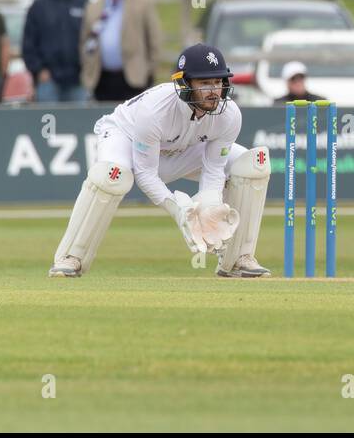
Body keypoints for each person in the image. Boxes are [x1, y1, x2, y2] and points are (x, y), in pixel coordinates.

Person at [49, 43, 273, 279]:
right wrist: (178, 211)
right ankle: (71, 257)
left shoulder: (229, 115)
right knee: (111, 177)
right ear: (185, 84)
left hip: (182, 148)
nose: (214, 90)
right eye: (205, 83)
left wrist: (210, 206)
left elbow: (214, 168)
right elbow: (146, 174)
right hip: (125, 137)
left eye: (218, 82)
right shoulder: (155, 111)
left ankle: (238, 259)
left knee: (252, 164)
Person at [81, 0, 164, 102]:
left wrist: (149, 70)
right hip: (101, 78)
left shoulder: (142, 6)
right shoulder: (93, 7)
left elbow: (155, 40)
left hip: (134, 78)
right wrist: (88, 67)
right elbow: (86, 41)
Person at [23, 0, 88, 103]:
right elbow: (28, 43)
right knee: (49, 123)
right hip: (48, 81)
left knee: (77, 123)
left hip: (77, 80)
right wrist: (38, 70)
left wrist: (87, 69)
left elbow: (92, 39)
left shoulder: (83, 3)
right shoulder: (39, 6)